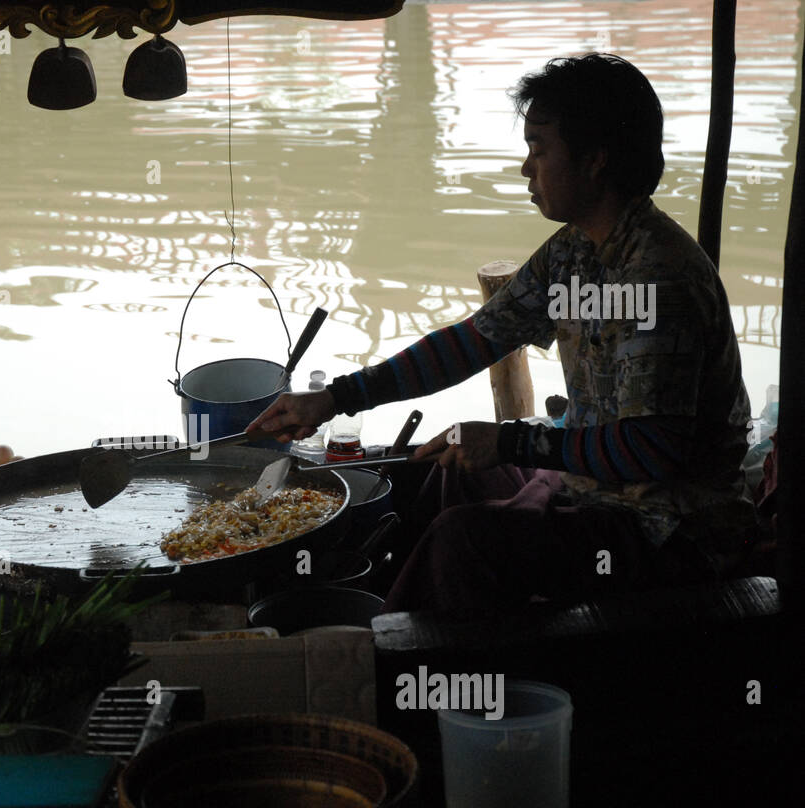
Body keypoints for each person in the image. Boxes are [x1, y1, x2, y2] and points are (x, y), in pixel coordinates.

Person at [248, 54, 758, 618]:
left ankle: (402, 664)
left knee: (465, 540)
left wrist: (512, 441)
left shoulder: (658, 277)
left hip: (672, 531)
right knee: (437, 478)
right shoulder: (574, 251)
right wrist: (335, 398)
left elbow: (652, 450)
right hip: (601, 495)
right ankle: (411, 625)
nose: (525, 168)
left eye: (539, 149)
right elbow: (472, 342)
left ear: (594, 160)